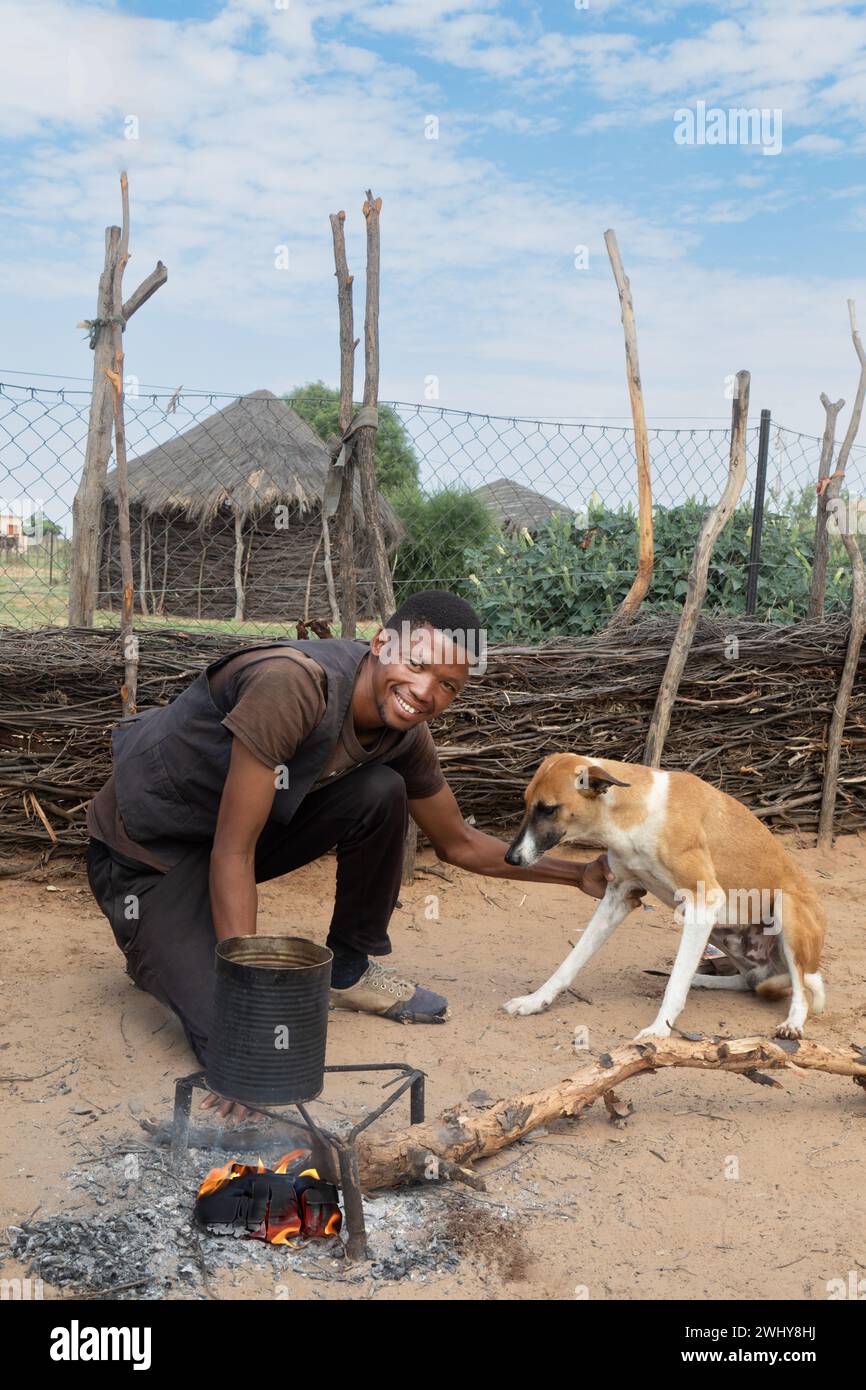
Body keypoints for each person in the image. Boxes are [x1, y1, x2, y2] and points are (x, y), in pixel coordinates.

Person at [86, 589, 617, 1121]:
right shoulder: (293, 685)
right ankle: (163, 945)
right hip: (149, 858)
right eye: (416, 663)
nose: (424, 691)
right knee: (257, 1051)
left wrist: (578, 876)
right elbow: (234, 850)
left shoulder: (404, 735)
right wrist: (251, 1003)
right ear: (381, 642)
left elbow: (458, 842)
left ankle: (348, 971)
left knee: (380, 789)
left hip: (233, 845)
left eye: (447, 686)